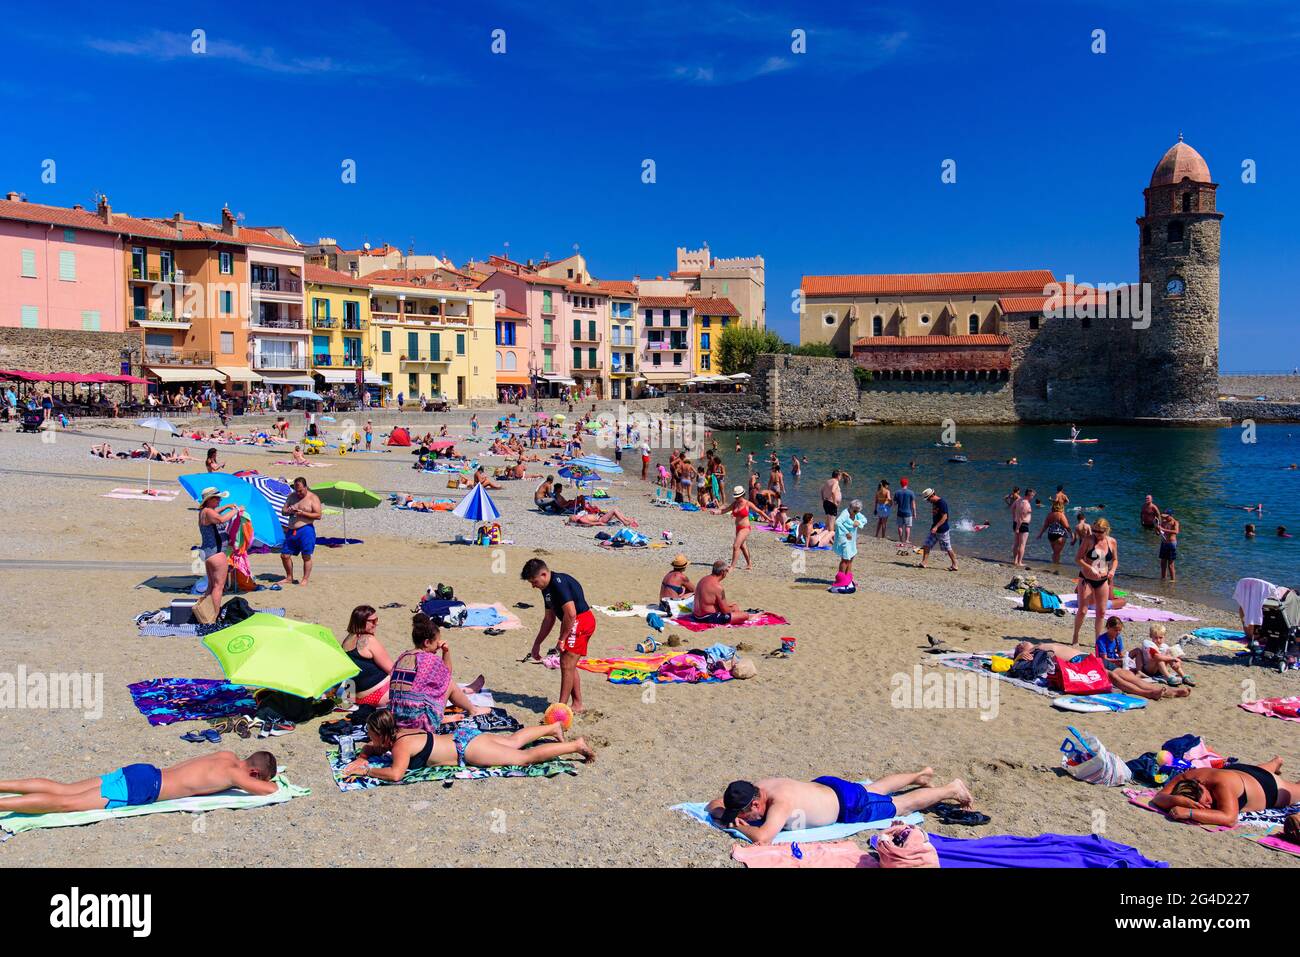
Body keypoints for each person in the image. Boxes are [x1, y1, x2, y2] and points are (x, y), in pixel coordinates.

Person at [708, 769, 974, 845]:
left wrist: (737, 826)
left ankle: (952, 788)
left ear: (756, 802)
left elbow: (764, 838)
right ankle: (920, 775)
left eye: (746, 813)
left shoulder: (781, 803)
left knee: (900, 805)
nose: (747, 818)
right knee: (874, 788)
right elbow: (713, 805)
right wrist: (726, 813)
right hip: (827, 786)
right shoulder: (760, 786)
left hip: (848, 806)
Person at [343, 708, 593, 780]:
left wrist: (367, 770)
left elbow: (396, 774)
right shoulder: (401, 733)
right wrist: (363, 757)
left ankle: (575, 746)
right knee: (513, 740)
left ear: (382, 733)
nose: (369, 739)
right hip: (466, 736)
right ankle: (553, 727)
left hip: (468, 750)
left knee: (523, 758)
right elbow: (371, 748)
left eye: (371, 734)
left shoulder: (399, 747)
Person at [0, 751, 278, 814]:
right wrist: (263, 783)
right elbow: (270, 790)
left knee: (65, 788)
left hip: (144, 771)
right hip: (145, 789)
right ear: (254, 773)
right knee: (64, 804)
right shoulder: (237, 775)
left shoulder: (226, 755)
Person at [389, 613, 489, 733]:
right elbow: (447, 676)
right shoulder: (428, 659)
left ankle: (456, 709)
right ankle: (473, 710)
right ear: (427, 642)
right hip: (418, 722)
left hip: (395, 718)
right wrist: (446, 652)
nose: (438, 646)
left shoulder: (403, 656)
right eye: (437, 642)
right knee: (449, 683)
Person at [522, 559, 594, 713]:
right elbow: (549, 618)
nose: (533, 586)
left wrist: (562, 639)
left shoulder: (558, 583)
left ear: (543, 574)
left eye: (534, 581)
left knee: (566, 663)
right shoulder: (546, 589)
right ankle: (577, 704)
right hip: (574, 621)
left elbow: (571, 613)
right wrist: (537, 644)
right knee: (568, 662)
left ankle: (561, 708)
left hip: (582, 620)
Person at [1010, 640, 1189, 701]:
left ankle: (1167, 691)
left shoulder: (1039, 645)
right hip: (1078, 663)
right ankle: (1147, 693)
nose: (1021, 643)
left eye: (1020, 644)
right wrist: (1020, 655)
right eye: (1019, 646)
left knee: (1124, 673)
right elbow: (1016, 667)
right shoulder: (1034, 651)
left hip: (1088, 657)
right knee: (1111, 675)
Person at [1151, 758, 1300, 827]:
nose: (1208, 807)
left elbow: (1229, 818)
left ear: (1202, 786)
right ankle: (1275, 762)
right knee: (1259, 771)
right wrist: (1179, 801)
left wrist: (1190, 812)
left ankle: (1274, 767)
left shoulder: (1221, 785)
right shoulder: (1186, 777)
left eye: (1207, 802)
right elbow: (1159, 797)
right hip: (1241, 771)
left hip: (1268, 787)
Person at [1072, 517, 1117, 645]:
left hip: (1102, 580)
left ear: (1106, 530)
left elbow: (1115, 559)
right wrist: (1090, 567)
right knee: (1083, 610)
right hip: (1086, 579)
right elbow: (1078, 559)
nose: (1096, 534)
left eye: (1100, 532)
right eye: (1095, 530)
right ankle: (1075, 636)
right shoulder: (1088, 540)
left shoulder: (1112, 542)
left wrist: (1112, 570)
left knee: (1101, 611)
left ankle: (1098, 641)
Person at [340, 605, 395, 707]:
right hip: (380, 694)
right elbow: (392, 670)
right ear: (361, 621)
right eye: (372, 621)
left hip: (360, 699)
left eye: (376, 620)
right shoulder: (369, 640)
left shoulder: (346, 641)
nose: (376, 624)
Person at [197, 487, 239, 611]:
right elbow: (221, 519)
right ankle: (214, 615)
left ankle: (205, 613)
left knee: (211, 586)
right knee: (218, 587)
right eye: (217, 498)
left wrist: (226, 507)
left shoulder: (205, 511)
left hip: (209, 552)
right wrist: (236, 510)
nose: (220, 500)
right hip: (216, 552)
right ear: (209, 500)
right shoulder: (209, 512)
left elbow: (216, 512)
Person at [279, 477, 321, 586]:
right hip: (291, 529)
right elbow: (283, 511)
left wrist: (303, 513)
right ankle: (289, 577)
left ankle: (305, 579)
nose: (298, 493)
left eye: (301, 490)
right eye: (296, 490)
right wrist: (288, 511)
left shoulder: (313, 498)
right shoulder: (292, 496)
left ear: (305, 487)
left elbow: (318, 515)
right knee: (284, 555)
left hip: (306, 529)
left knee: (306, 556)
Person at [693, 560, 756, 625]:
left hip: (696, 615)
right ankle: (750, 617)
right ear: (722, 572)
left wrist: (732, 608)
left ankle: (737, 613)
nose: (727, 572)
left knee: (735, 607)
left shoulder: (703, 579)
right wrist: (732, 609)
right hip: (706, 618)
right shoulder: (718, 587)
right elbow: (725, 611)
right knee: (744, 615)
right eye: (727, 570)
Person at [727, 484, 770, 572]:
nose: (736, 498)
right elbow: (724, 510)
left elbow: (759, 511)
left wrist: (768, 518)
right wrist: (715, 512)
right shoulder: (735, 504)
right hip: (738, 528)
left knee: (736, 546)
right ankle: (749, 564)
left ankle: (732, 567)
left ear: (742, 495)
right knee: (742, 546)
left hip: (745, 528)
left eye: (738, 496)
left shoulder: (747, 503)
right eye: (735, 497)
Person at [919, 488, 958, 571]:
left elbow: (945, 517)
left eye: (928, 499)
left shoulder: (942, 503)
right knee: (926, 544)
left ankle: (955, 564)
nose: (928, 501)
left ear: (932, 495)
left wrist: (936, 527)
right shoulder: (934, 503)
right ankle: (924, 562)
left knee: (948, 548)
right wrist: (934, 527)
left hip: (942, 530)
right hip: (934, 529)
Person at [833, 499, 869, 585]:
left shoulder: (857, 514)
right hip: (843, 538)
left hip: (852, 540)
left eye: (857, 511)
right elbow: (837, 523)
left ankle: (848, 579)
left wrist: (859, 522)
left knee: (851, 557)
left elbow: (865, 519)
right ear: (850, 507)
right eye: (854, 510)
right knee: (845, 559)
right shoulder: (845, 513)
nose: (855, 512)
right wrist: (846, 532)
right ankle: (840, 579)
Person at [1012, 487, 1034, 567]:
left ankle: (1015, 561)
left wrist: (1014, 518)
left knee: (1016, 543)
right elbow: (1021, 516)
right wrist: (1018, 528)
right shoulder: (1026, 503)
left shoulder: (1018, 500)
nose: (1032, 497)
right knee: (1022, 544)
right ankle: (1019, 562)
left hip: (1016, 522)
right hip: (1022, 524)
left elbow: (1012, 508)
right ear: (1029, 495)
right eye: (1032, 496)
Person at [1158, 510, 1180, 582]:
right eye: (1164, 516)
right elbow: (1158, 533)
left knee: (1170, 565)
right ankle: (1163, 579)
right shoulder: (1163, 522)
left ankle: (1173, 580)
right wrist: (1157, 528)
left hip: (1171, 544)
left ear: (1170, 515)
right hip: (1164, 543)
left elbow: (1176, 531)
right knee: (1163, 563)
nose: (1165, 518)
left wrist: (1164, 529)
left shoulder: (1175, 522)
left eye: (1166, 516)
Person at [894, 477, 916, 545]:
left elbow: (895, 504)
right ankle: (907, 540)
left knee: (900, 526)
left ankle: (901, 540)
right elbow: (913, 504)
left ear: (901, 484)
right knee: (908, 526)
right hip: (908, 513)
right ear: (907, 484)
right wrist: (914, 513)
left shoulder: (897, 492)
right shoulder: (911, 492)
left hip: (900, 512)